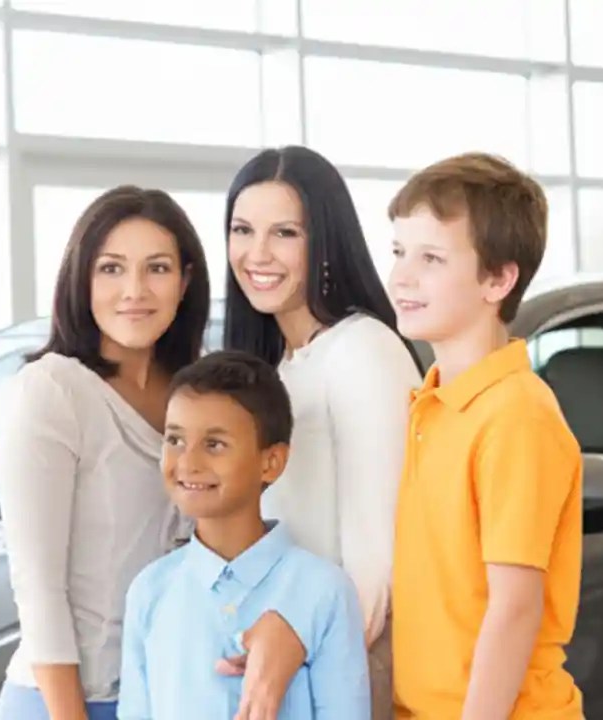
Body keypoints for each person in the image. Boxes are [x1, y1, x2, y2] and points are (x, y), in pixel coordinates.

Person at [217, 145, 422, 719]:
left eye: (285, 232)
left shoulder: (364, 350)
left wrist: (299, 646)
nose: (257, 254)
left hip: (337, 672)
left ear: (325, 242)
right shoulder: (273, 365)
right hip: (277, 667)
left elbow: (377, 565)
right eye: (242, 229)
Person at [0, 185, 211, 719]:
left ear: (184, 282)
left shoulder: (199, 396)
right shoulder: (52, 390)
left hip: (166, 696)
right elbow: (39, 589)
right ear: (82, 279)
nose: (134, 290)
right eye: (111, 269)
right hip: (64, 703)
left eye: (157, 268)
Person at [387, 152, 583, 718]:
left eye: (432, 258)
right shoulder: (432, 402)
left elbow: (514, 609)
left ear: (498, 278)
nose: (402, 276)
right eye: (399, 252)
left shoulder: (517, 414)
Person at [118, 350, 371, 719]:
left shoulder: (325, 592)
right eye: (174, 441)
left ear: (271, 462)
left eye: (214, 444)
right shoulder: (149, 591)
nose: (188, 462)